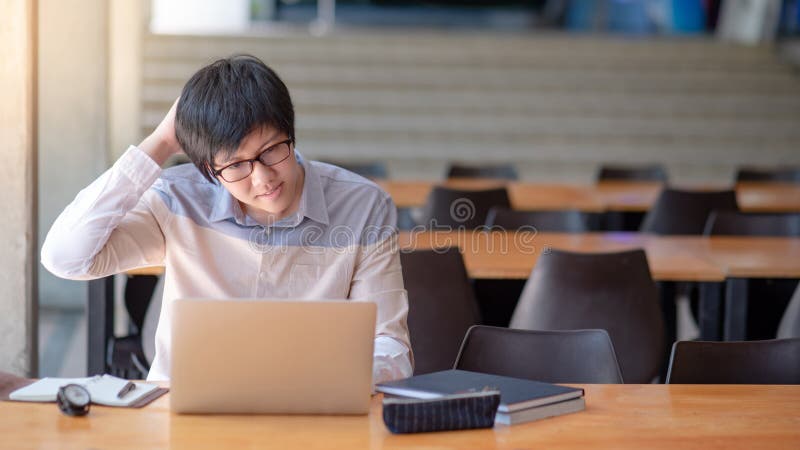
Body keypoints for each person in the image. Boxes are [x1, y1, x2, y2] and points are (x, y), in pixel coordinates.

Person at [41, 55, 413, 383]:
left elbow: (392, 348)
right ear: (209, 169)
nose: (263, 178)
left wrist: (325, 377)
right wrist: (161, 142)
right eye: (236, 165)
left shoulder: (364, 205)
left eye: (272, 151)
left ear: (291, 134)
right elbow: (67, 257)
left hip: (310, 412)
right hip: (185, 416)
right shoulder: (178, 200)